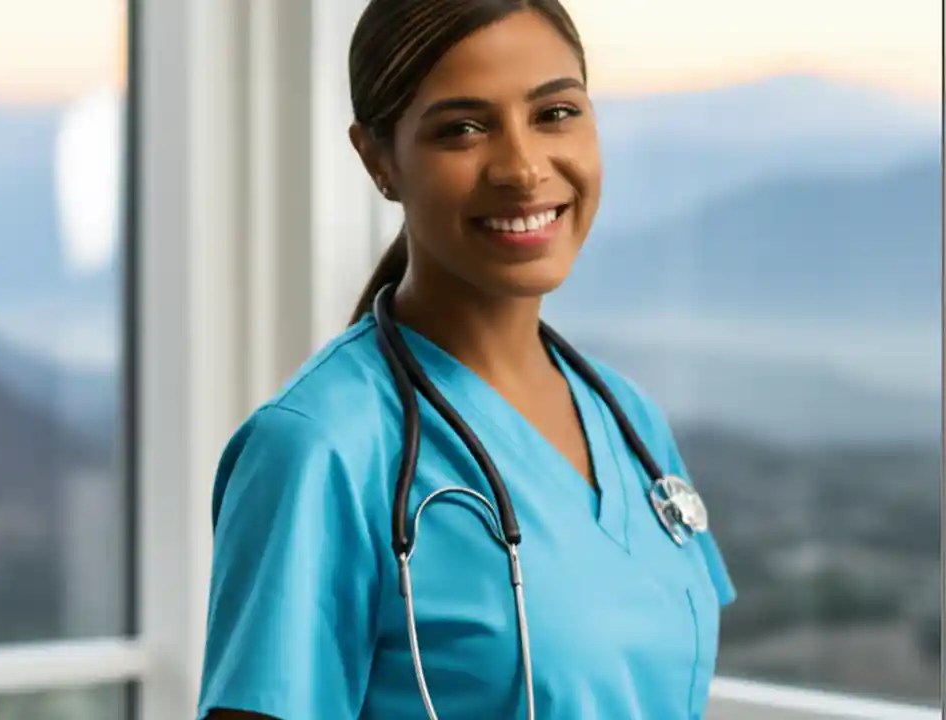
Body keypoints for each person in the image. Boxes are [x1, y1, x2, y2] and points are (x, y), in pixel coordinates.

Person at [197, 1, 737, 718]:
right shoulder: (319, 447)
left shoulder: (627, 417)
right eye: (462, 129)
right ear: (380, 160)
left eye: (555, 114)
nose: (521, 168)